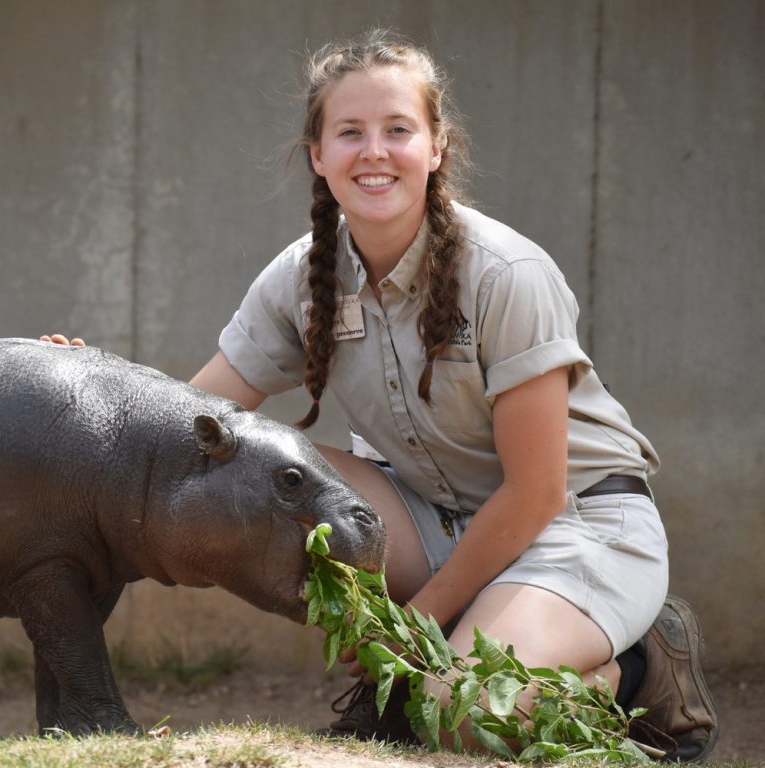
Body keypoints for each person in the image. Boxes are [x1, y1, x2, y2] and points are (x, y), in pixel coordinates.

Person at [44, 29, 718, 761]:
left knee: (463, 718)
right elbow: (189, 423)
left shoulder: (505, 274)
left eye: (398, 129)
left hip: (576, 525)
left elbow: (535, 495)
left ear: (435, 148)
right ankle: (427, 673)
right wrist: (93, 388)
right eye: (350, 132)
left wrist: (412, 630)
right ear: (318, 155)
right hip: (435, 512)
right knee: (263, 483)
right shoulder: (304, 276)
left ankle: (641, 670)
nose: (374, 151)